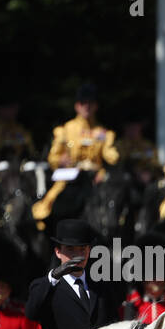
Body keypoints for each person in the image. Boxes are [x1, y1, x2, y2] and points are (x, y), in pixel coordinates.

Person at [25, 219, 122, 329]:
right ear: (58, 252)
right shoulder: (47, 286)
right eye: (70, 249)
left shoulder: (102, 287)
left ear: (89, 250)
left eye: (82, 249)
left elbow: (114, 325)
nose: (77, 255)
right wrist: (54, 276)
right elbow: (31, 313)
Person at [32, 84, 119, 226]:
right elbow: (52, 158)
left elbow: (112, 158)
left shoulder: (103, 132)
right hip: (71, 179)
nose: (87, 107)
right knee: (59, 205)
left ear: (96, 106)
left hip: (95, 178)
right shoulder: (66, 129)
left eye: (90, 103)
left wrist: (108, 144)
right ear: (77, 106)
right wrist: (60, 160)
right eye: (83, 103)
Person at [0, 95, 36, 165]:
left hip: (18, 167)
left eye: (15, 108)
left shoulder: (21, 129)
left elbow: (31, 150)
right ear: (0, 109)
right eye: (10, 108)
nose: (13, 111)